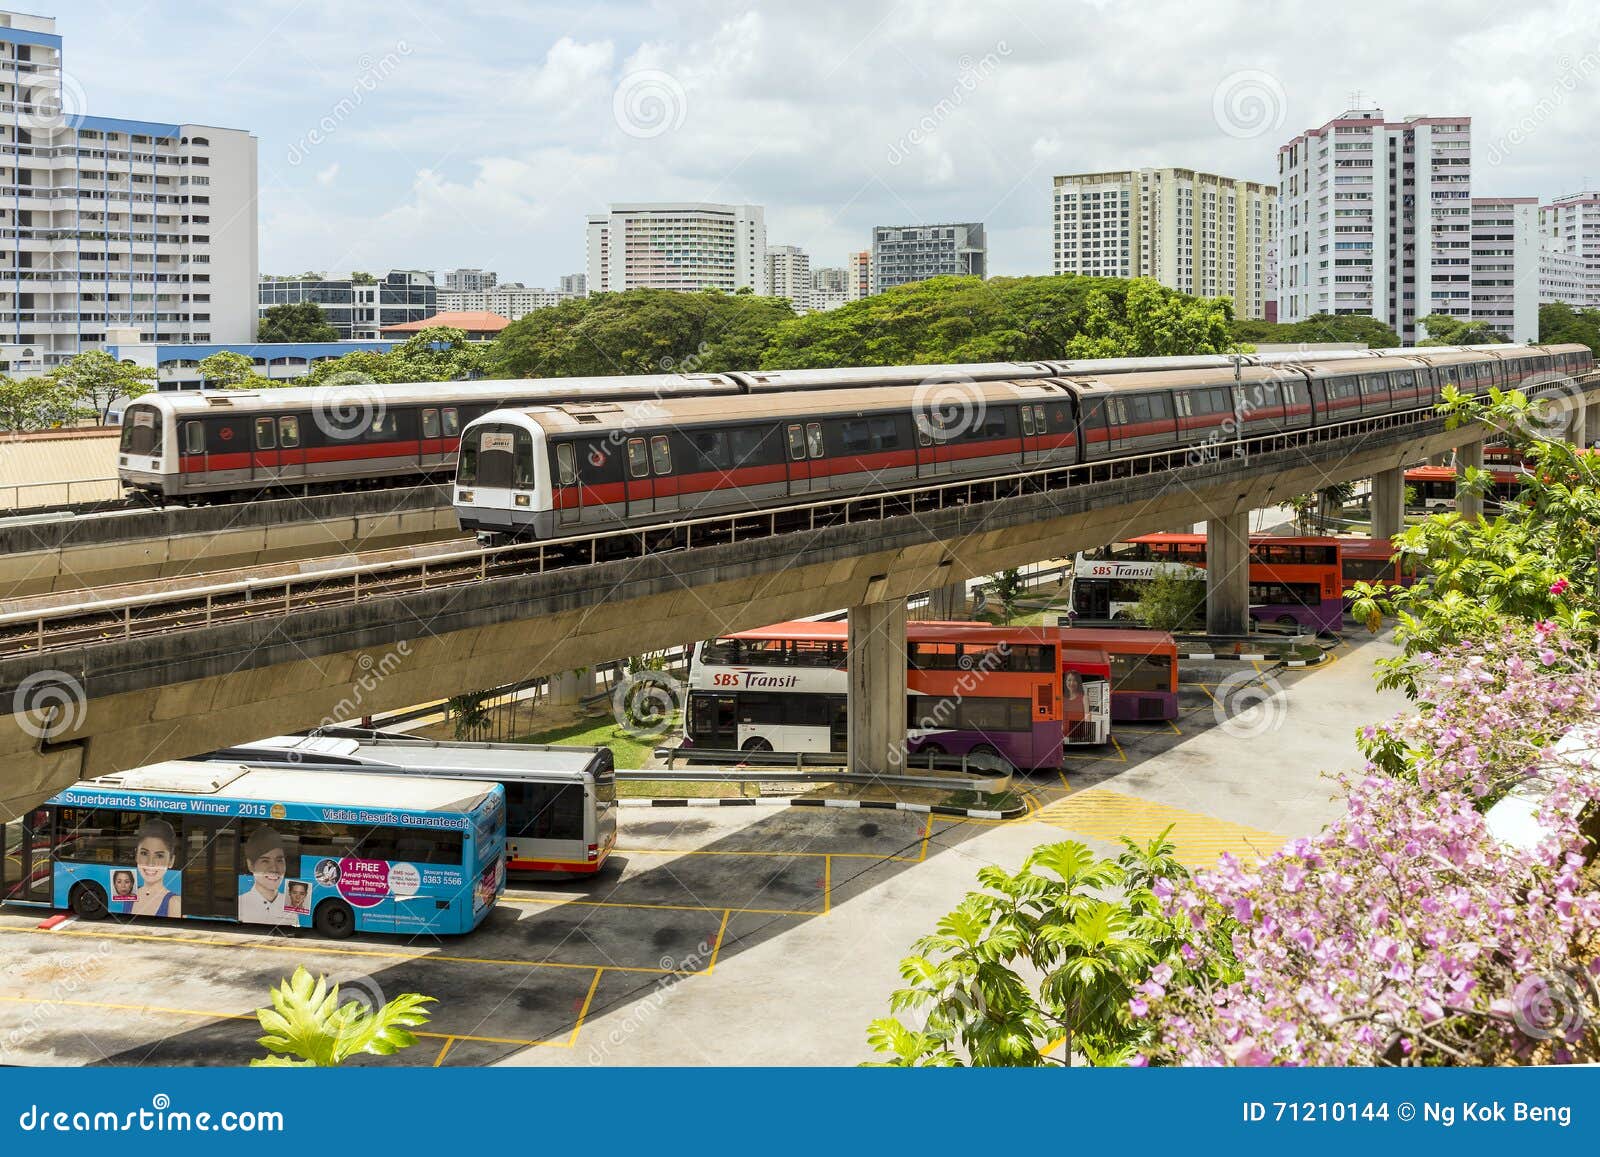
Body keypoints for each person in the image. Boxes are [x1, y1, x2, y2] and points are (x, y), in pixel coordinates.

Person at [237, 828, 296, 927]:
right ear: (250, 865)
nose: (274, 868)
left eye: (279, 860)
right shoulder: (241, 902)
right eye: (265, 861)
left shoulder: (292, 905)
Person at [130, 819, 181, 918]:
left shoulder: (174, 903)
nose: (150, 863)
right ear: (136, 855)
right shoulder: (129, 893)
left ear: (171, 861)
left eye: (159, 856)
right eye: (144, 853)